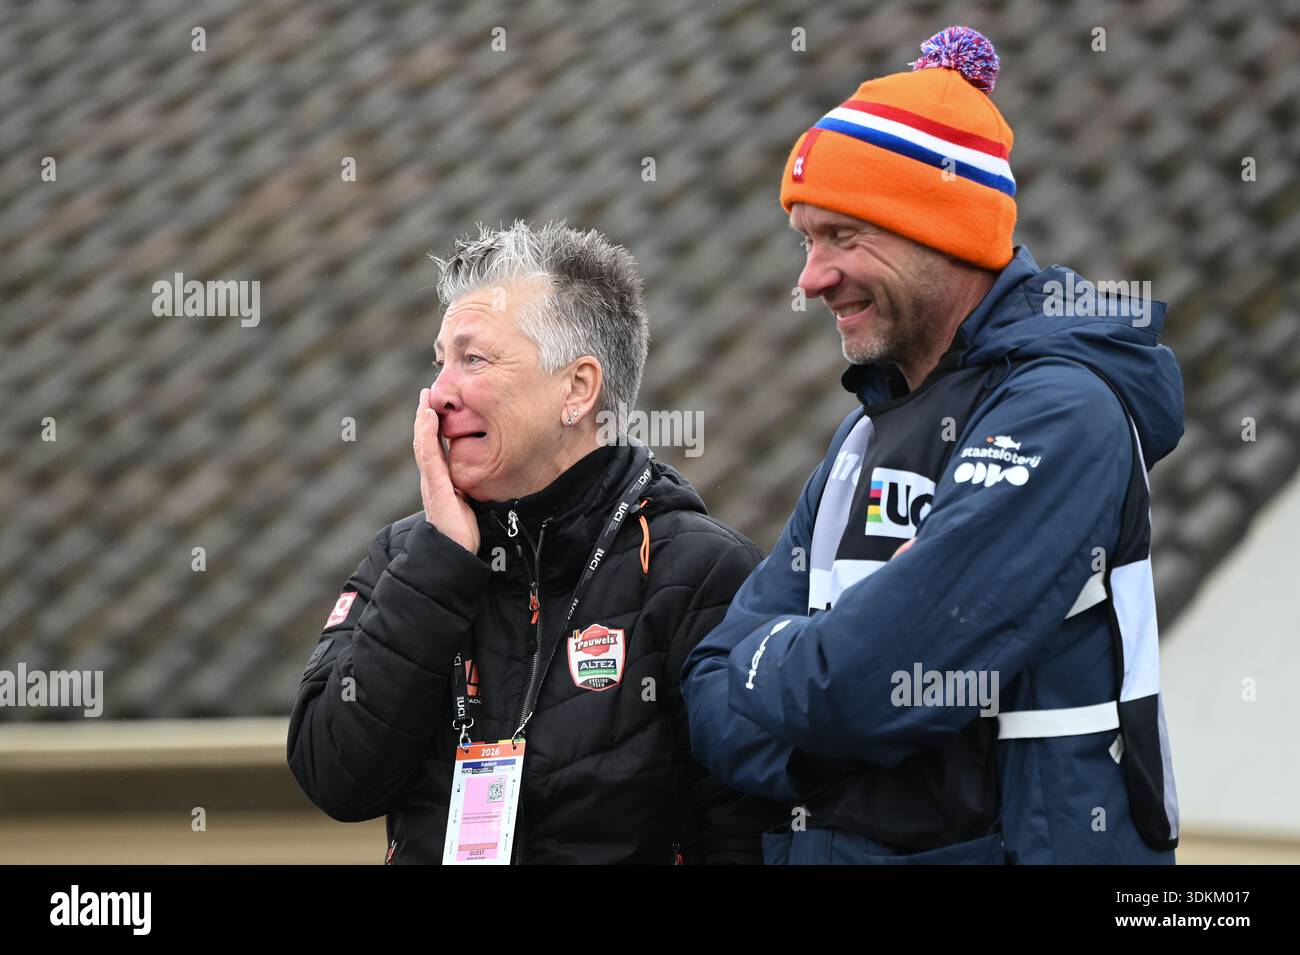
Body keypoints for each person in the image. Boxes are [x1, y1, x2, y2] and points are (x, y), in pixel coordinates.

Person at [682, 27, 1184, 864]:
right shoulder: (865, 428)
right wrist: (827, 709)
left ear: (944, 232)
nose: (810, 278)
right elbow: (708, 684)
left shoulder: (1060, 413)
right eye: (806, 240)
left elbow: (862, 682)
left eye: (843, 235)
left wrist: (810, 688)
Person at [288, 221, 777, 863]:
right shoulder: (406, 559)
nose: (438, 394)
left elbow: (747, 834)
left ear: (577, 389)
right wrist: (440, 565)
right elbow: (336, 777)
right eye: (440, 362)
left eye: (474, 359)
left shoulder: (703, 573)